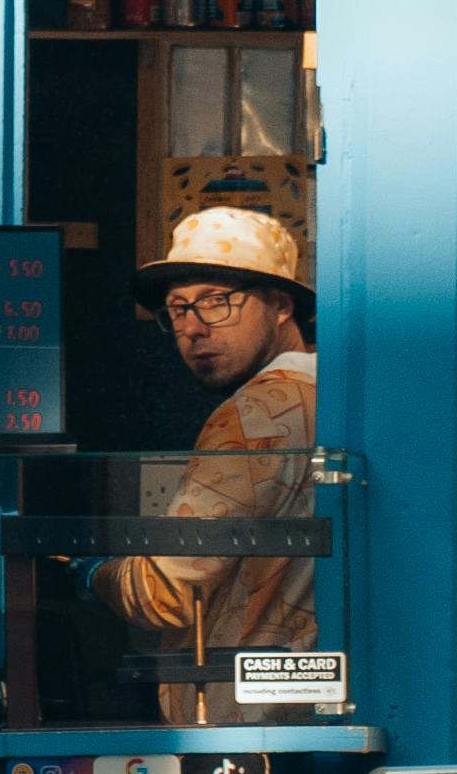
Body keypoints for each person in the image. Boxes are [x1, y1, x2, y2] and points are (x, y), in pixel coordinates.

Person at [90, 207, 317, 726]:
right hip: (321, 706)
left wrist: (92, 571)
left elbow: (165, 594)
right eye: (177, 308)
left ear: (281, 305)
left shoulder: (257, 412)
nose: (192, 328)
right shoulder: (337, 395)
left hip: (247, 724)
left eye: (217, 302)